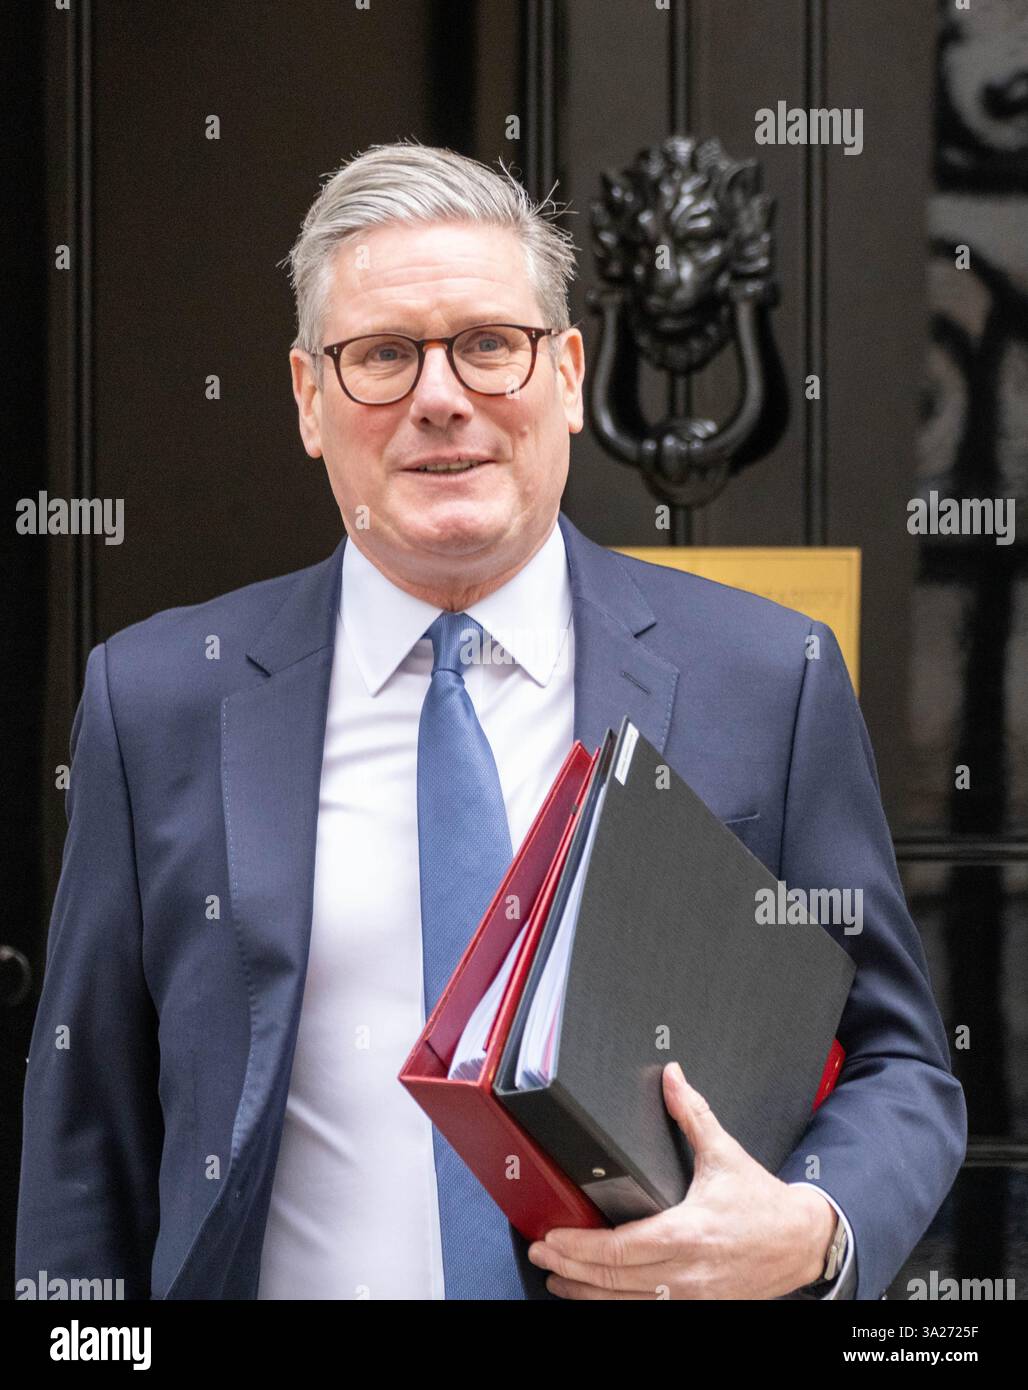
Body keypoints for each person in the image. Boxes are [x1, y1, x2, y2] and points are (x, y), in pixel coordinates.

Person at [15, 141, 966, 1301]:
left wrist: (814, 1228)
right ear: (310, 401)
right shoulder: (158, 699)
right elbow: (84, 1130)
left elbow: (899, 1061)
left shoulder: (764, 678)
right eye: (381, 355)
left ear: (565, 373)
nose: (440, 396)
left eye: (486, 344)